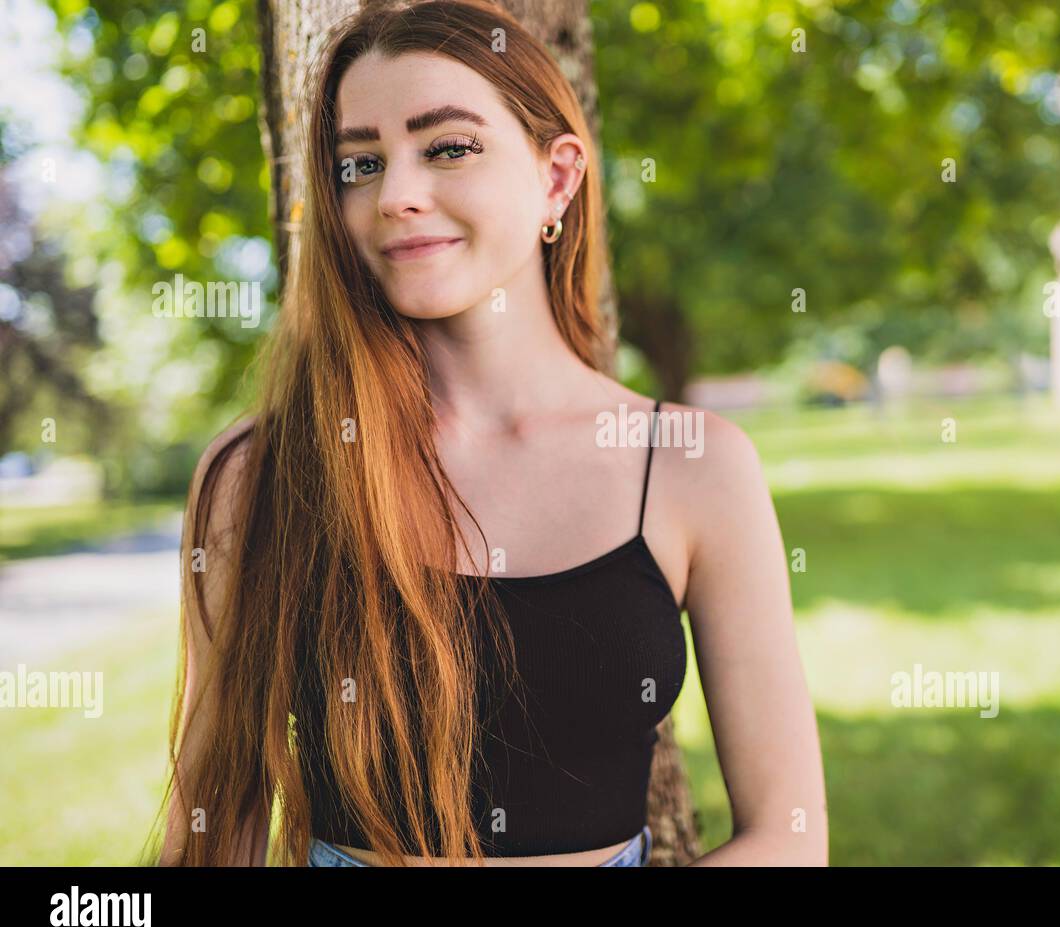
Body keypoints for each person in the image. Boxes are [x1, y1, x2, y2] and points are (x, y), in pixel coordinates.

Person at [152, 0, 826, 867]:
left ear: (557, 179)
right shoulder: (261, 474)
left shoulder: (695, 466)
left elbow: (789, 837)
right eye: (360, 164)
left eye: (448, 147)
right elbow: (215, 827)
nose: (395, 196)